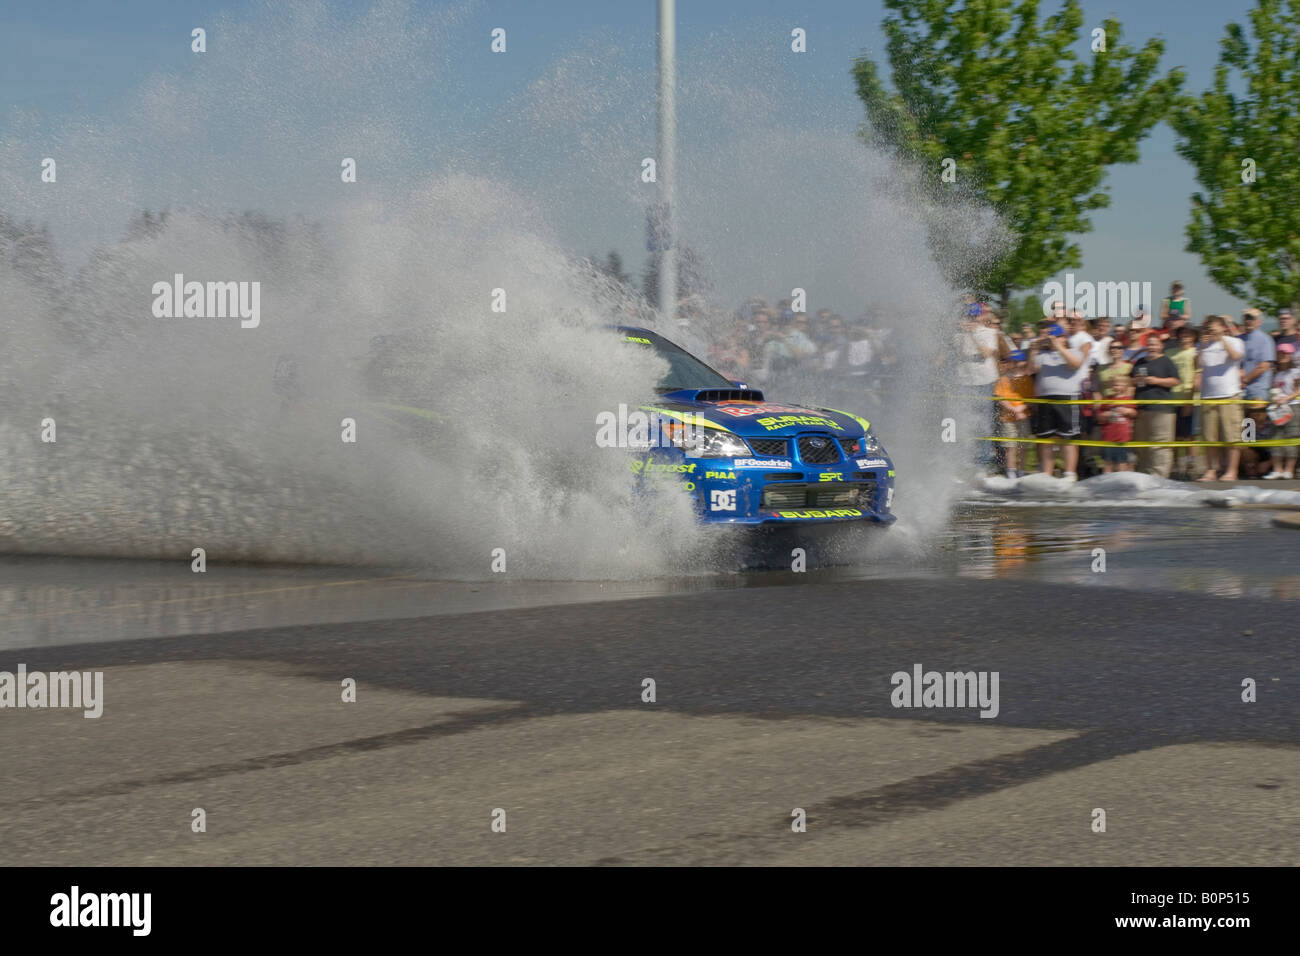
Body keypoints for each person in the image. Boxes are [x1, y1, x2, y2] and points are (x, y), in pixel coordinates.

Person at [1030, 319, 1087, 479]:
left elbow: (1075, 364)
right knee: (1045, 439)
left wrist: (1058, 346)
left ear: (1064, 338)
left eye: (1058, 336)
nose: (1052, 339)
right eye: (1051, 336)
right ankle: (1046, 475)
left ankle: (1069, 474)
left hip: (1067, 399)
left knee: (1068, 439)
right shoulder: (1042, 354)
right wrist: (1034, 350)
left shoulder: (1073, 351)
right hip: (1044, 400)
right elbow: (1030, 369)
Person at [1197, 315, 1246, 481]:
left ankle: (1232, 471)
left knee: (1232, 436)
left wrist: (1222, 340)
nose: (1210, 330)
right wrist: (1203, 345)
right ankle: (1211, 470)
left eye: (1213, 326)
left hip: (1229, 395)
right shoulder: (1203, 345)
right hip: (1208, 396)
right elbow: (1197, 364)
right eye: (1208, 327)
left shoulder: (1234, 341)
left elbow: (1235, 357)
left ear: (1223, 327)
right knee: (1210, 437)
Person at [955, 303, 1000, 470]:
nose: (972, 319)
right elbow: (958, 354)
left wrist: (973, 335)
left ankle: (985, 458)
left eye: (975, 316)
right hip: (965, 380)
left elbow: (986, 353)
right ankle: (966, 457)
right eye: (969, 316)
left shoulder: (990, 332)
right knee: (966, 419)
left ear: (981, 316)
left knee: (985, 421)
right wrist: (964, 334)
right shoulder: (959, 335)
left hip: (984, 380)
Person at [1131, 334, 1181, 477]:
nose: (1151, 347)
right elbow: (1130, 381)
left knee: (1160, 445)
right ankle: (1143, 475)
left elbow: (1176, 381)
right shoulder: (1140, 362)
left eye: (1154, 344)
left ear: (1161, 346)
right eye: (1149, 344)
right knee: (1142, 444)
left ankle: (1159, 476)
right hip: (1142, 408)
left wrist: (1156, 381)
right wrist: (1136, 381)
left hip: (1162, 409)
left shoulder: (1166, 361)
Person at [1166, 324, 1201, 478]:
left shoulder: (1196, 353)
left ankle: (1190, 465)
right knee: (1172, 435)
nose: (1185, 336)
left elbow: (1197, 377)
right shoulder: (1169, 353)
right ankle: (1174, 466)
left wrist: (1190, 401)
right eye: (1183, 333)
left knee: (1189, 436)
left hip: (1188, 397)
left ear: (1194, 336)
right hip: (1170, 399)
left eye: (1189, 333)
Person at [994, 350, 1035, 478]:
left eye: (1018, 361)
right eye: (1013, 361)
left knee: (1022, 446)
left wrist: (1021, 410)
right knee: (1010, 447)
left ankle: (1021, 470)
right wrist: (1014, 410)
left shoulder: (1027, 379)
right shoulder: (1003, 379)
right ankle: (1011, 471)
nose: (1016, 364)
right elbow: (1000, 398)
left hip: (1023, 416)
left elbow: (1031, 399)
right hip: (1007, 418)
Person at [1264, 343, 1300, 479]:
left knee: (1291, 438)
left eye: (1286, 353)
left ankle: (1288, 470)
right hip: (1278, 409)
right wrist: (1275, 397)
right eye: (1280, 353)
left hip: (1293, 407)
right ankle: (1277, 469)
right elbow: (1275, 389)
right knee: (1275, 438)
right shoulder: (1277, 373)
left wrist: (1287, 398)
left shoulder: (1296, 372)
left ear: (1291, 355)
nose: (1283, 355)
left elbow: (1298, 390)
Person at [1097, 373, 1137, 473]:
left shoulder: (1128, 400)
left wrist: (1128, 411)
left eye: (1119, 384)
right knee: (1108, 462)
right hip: (1108, 436)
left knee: (1122, 462)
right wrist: (1105, 414)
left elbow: (1135, 413)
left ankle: (1122, 483)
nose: (1116, 387)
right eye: (1114, 384)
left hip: (1123, 437)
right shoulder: (1106, 399)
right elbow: (1099, 417)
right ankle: (1106, 482)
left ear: (1125, 386)